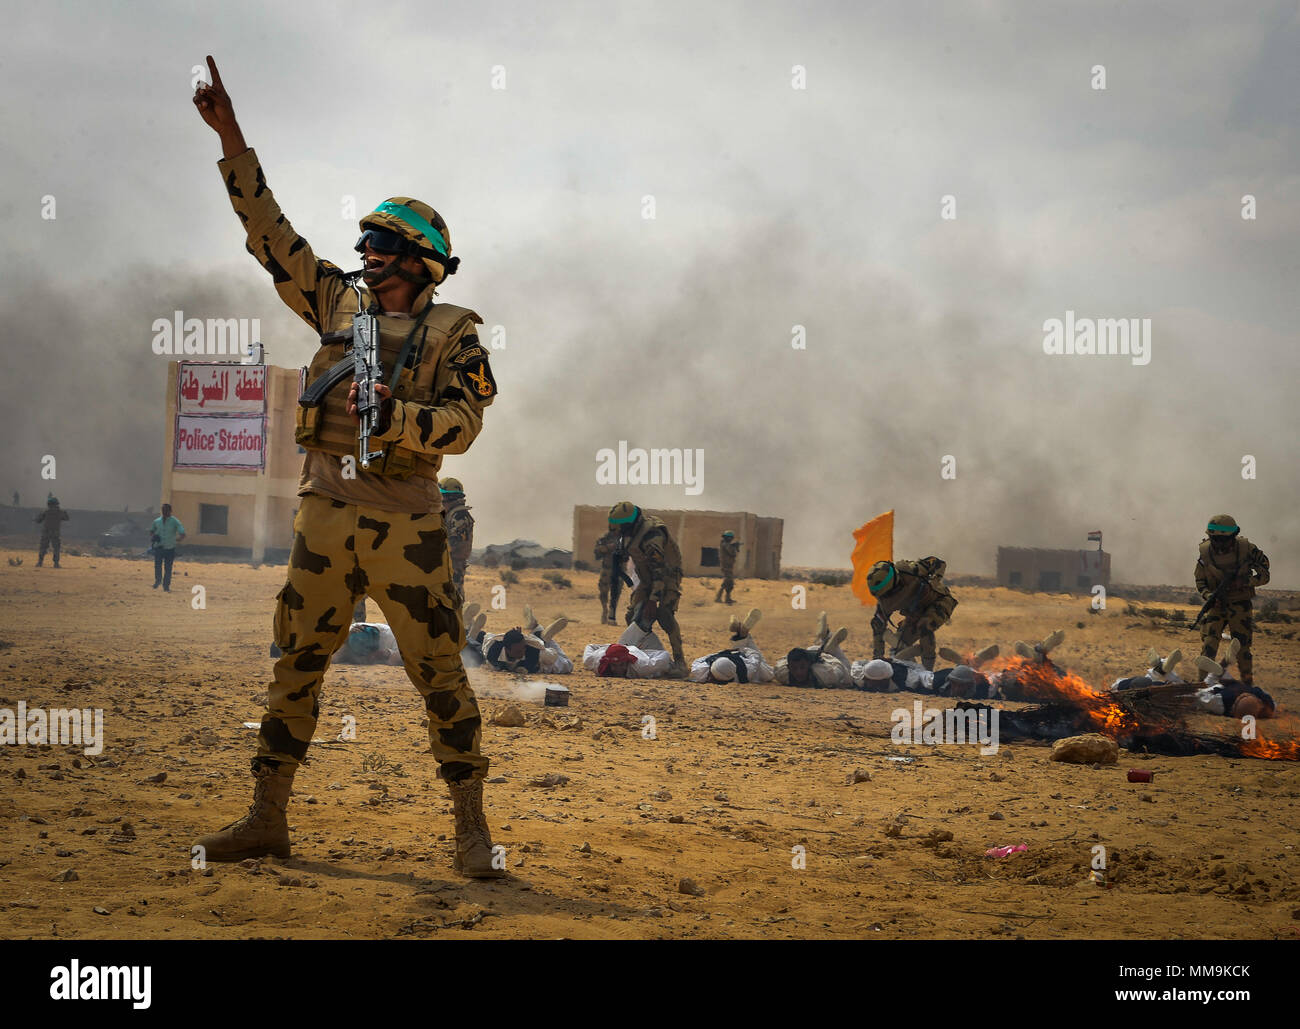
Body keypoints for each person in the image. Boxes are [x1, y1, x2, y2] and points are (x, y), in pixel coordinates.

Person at [191, 56, 502, 878]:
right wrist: (230, 135)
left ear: (416, 259)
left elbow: (465, 423)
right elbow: (271, 234)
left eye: (378, 243)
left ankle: (472, 831)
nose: (361, 253)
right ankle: (267, 818)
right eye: (362, 241)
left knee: (438, 673)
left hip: (408, 524)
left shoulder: (456, 333)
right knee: (295, 661)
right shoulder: (337, 304)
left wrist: (397, 418)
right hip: (325, 515)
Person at [609, 501, 687, 676]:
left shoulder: (652, 536)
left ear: (628, 523)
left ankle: (680, 662)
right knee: (633, 617)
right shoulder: (629, 533)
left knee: (664, 614)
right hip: (646, 577)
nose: (618, 531)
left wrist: (653, 600)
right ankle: (649, 654)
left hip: (666, 576)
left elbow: (659, 571)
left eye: (620, 527)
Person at [1194, 515, 1270, 685]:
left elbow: (1265, 575)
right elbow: (1200, 582)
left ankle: (1246, 685)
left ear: (1233, 536)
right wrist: (1209, 597)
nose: (1219, 544)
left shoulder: (1247, 550)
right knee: (1208, 646)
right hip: (1216, 606)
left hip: (1240, 605)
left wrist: (1244, 582)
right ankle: (1202, 686)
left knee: (1242, 648)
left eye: (1223, 540)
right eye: (1215, 539)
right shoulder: (1205, 553)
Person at [866, 557, 956, 670]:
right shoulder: (884, 602)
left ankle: (928, 671)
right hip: (916, 613)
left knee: (925, 626)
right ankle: (915, 669)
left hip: (940, 601)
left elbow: (938, 563)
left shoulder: (910, 570)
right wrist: (878, 659)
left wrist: (934, 581)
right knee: (899, 647)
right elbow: (878, 626)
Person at [775, 613, 853, 688]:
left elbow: (839, 667)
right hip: (811, 652)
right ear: (788, 667)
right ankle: (826, 637)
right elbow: (784, 660)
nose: (799, 672)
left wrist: (826, 654)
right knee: (815, 651)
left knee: (848, 672)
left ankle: (827, 641)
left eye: (802, 667)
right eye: (794, 668)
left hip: (828, 661)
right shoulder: (781, 673)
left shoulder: (825, 676)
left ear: (809, 665)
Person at [439, 478, 474, 596]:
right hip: (447, 564)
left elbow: (453, 544)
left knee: (453, 598)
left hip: (453, 565)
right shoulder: (451, 514)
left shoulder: (460, 516)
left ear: (448, 498)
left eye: (441, 496)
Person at [150, 503, 187, 590]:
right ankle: (158, 581)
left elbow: (182, 532)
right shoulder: (156, 521)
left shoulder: (174, 521)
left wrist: (179, 539)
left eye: (166, 510)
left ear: (170, 511)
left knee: (168, 567)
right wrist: (153, 536)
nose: (164, 512)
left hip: (170, 548)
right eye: (163, 510)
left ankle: (166, 585)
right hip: (158, 547)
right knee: (157, 565)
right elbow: (152, 531)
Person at [594, 529, 626, 625]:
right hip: (607, 569)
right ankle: (605, 609)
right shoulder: (605, 537)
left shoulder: (625, 537)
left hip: (619, 570)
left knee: (616, 593)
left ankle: (612, 615)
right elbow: (597, 551)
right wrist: (608, 547)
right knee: (603, 591)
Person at [35, 496, 69, 568]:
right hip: (55, 533)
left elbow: (38, 520)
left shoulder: (45, 512)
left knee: (43, 547)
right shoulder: (60, 512)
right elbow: (66, 518)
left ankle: (40, 562)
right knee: (56, 548)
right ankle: (56, 563)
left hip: (46, 532)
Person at [714, 530, 742, 604]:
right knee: (728, 581)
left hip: (728, 566)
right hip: (726, 566)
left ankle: (726, 598)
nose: (730, 539)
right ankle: (719, 597)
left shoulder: (725, 544)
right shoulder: (725, 544)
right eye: (729, 538)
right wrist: (735, 547)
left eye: (730, 538)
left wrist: (735, 546)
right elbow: (732, 552)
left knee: (729, 582)